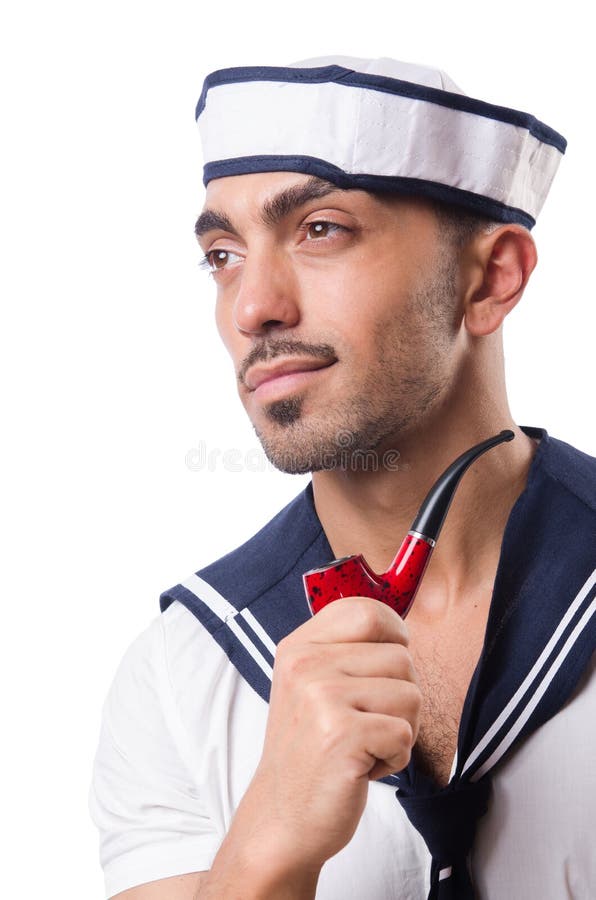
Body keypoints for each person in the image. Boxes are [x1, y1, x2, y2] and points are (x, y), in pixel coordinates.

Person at [90, 57, 596, 899]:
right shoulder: (180, 678)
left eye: (320, 229)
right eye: (222, 254)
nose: (252, 307)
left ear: (490, 277)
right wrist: (270, 843)